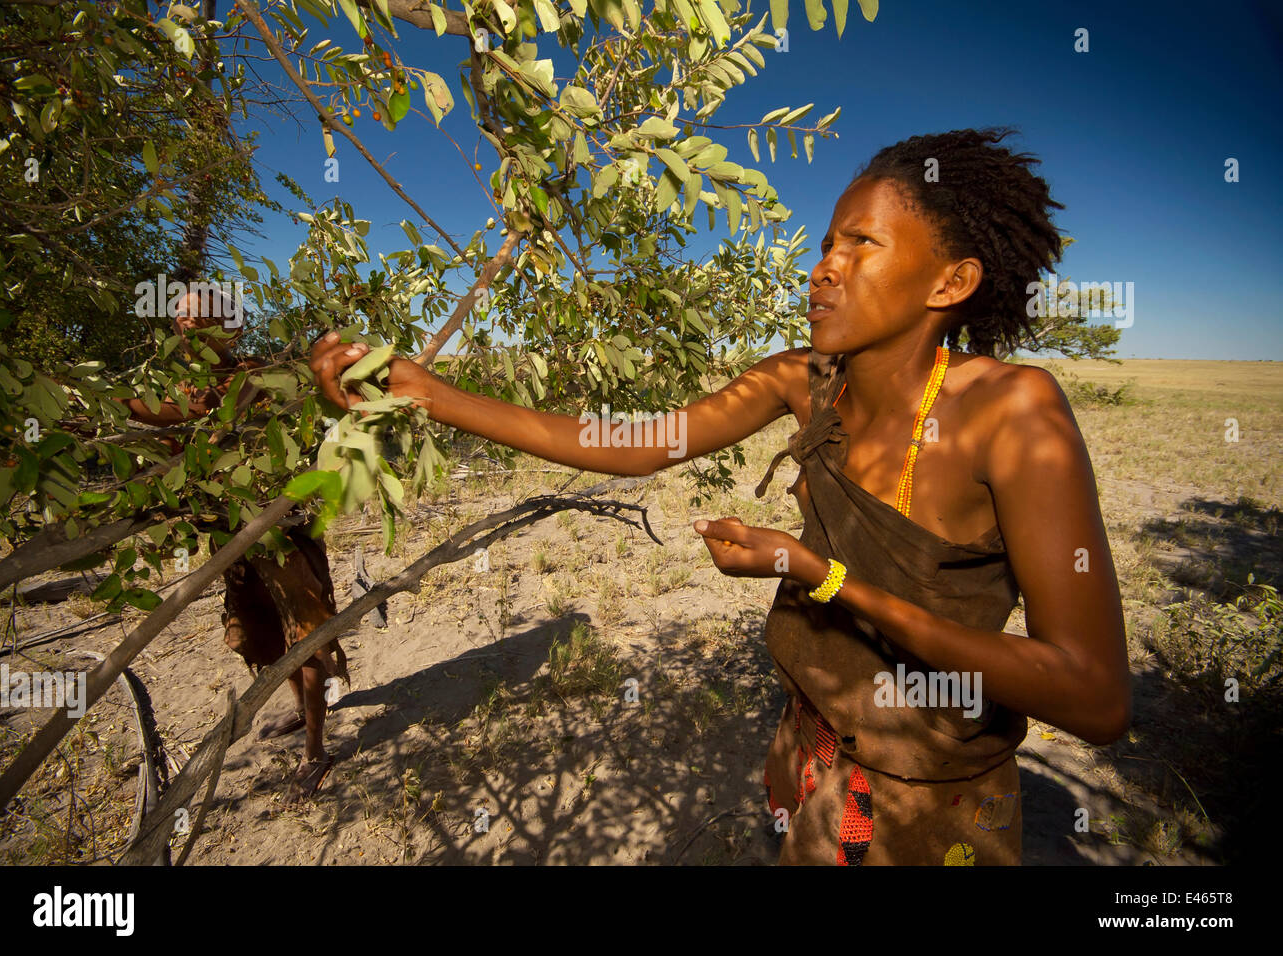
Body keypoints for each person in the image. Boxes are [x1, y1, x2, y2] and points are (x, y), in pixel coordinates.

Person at [310, 127, 1131, 863]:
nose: (822, 268)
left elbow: (1090, 695)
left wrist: (825, 576)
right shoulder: (803, 383)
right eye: (824, 243)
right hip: (812, 750)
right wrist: (430, 394)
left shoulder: (1011, 411)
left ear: (949, 282)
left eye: (861, 245)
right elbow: (630, 446)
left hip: (933, 803)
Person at [125, 285, 348, 802]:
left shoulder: (249, 377)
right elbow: (175, 436)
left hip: (283, 532)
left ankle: (316, 751)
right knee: (263, 632)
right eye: (181, 321)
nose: (186, 330)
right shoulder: (180, 381)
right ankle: (299, 711)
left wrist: (111, 404)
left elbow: (193, 410)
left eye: (198, 321)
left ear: (231, 327)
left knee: (306, 636)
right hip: (234, 538)